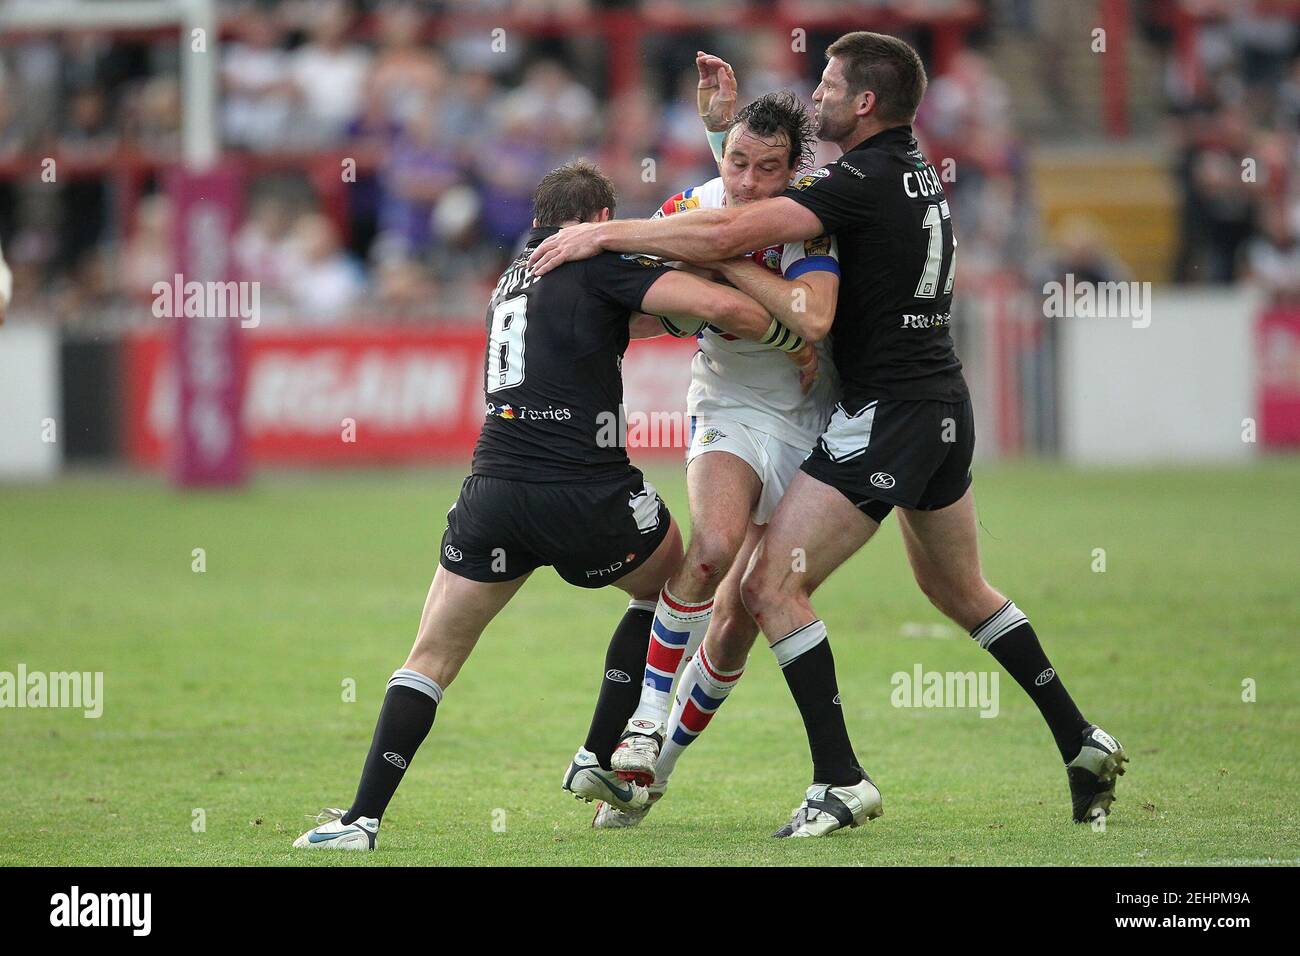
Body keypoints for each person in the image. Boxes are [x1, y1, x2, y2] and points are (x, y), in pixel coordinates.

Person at [530, 33, 1126, 838]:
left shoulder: (855, 179)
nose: (819, 95)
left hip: (885, 414)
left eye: (831, 84)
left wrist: (607, 233)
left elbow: (733, 235)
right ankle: (1080, 736)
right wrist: (725, 165)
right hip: (943, 405)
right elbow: (747, 196)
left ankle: (838, 780)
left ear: (865, 103)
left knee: (769, 586)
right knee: (959, 592)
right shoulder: (908, 170)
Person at [293, 159, 808, 850]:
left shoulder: (512, 276)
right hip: (586, 490)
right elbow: (728, 311)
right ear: (599, 223)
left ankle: (361, 819)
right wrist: (788, 337)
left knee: (430, 656)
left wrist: (667, 305)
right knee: (676, 585)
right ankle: (600, 753)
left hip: (493, 489)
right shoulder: (599, 259)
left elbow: (620, 324)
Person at [590, 56, 841, 829]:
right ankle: (641, 722)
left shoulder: (806, 216)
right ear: (718, 155)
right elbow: (638, 288)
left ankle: (653, 774)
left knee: (743, 616)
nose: (749, 182)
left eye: (769, 169)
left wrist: (722, 256)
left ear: (792, 171)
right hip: (727, 403)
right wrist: (697, 298)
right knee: (711, 549)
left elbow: (813, 313)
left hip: (811, 419)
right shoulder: (690, 204)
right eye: (736, 161)